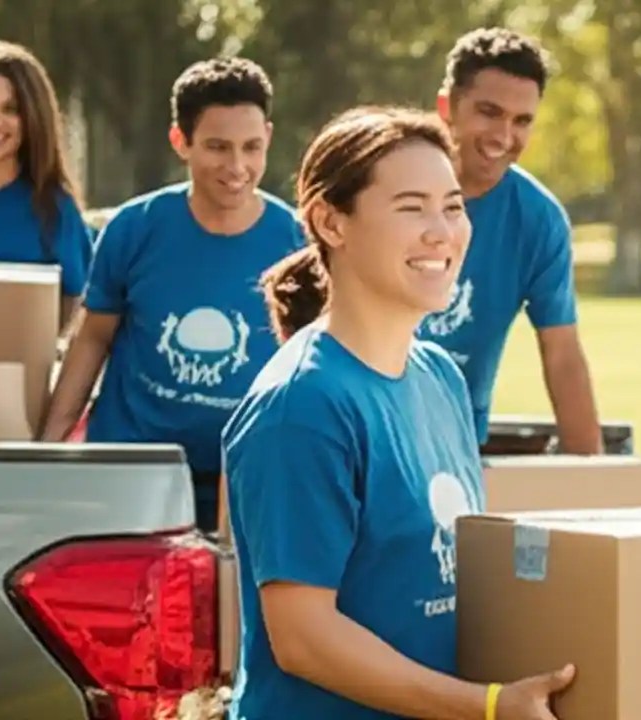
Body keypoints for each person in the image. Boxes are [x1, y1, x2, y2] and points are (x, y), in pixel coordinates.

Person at [222, 104, 575, 720]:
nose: (442, 231)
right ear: (331, 221)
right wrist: (486, 706)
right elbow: (304, 638)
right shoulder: (302, 406)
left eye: (453, 205)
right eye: (411, 207)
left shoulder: (439, 377)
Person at [39, 57, 304, 534]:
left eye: (252, 147)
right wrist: (48, 449)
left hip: (241, 479)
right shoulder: (133, 228)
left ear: (268, 134)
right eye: (218, 147)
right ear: (181, 141)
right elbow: (92, 339)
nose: (237, 167)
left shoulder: (296, 241)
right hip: (132, 472)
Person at [424, 27, 602, 454]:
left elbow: (562, 355)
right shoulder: (381, 183)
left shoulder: (539, 220)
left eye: (522, 121)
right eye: (489, 111)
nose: (504, 137)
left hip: (459, 446)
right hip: (360, 433)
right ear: (447, 106)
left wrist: (597, 483)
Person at [0, 40, 93, 333]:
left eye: (10, 109)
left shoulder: (55, 211)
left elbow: (79, 323)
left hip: (19, 377)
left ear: (32, 117)